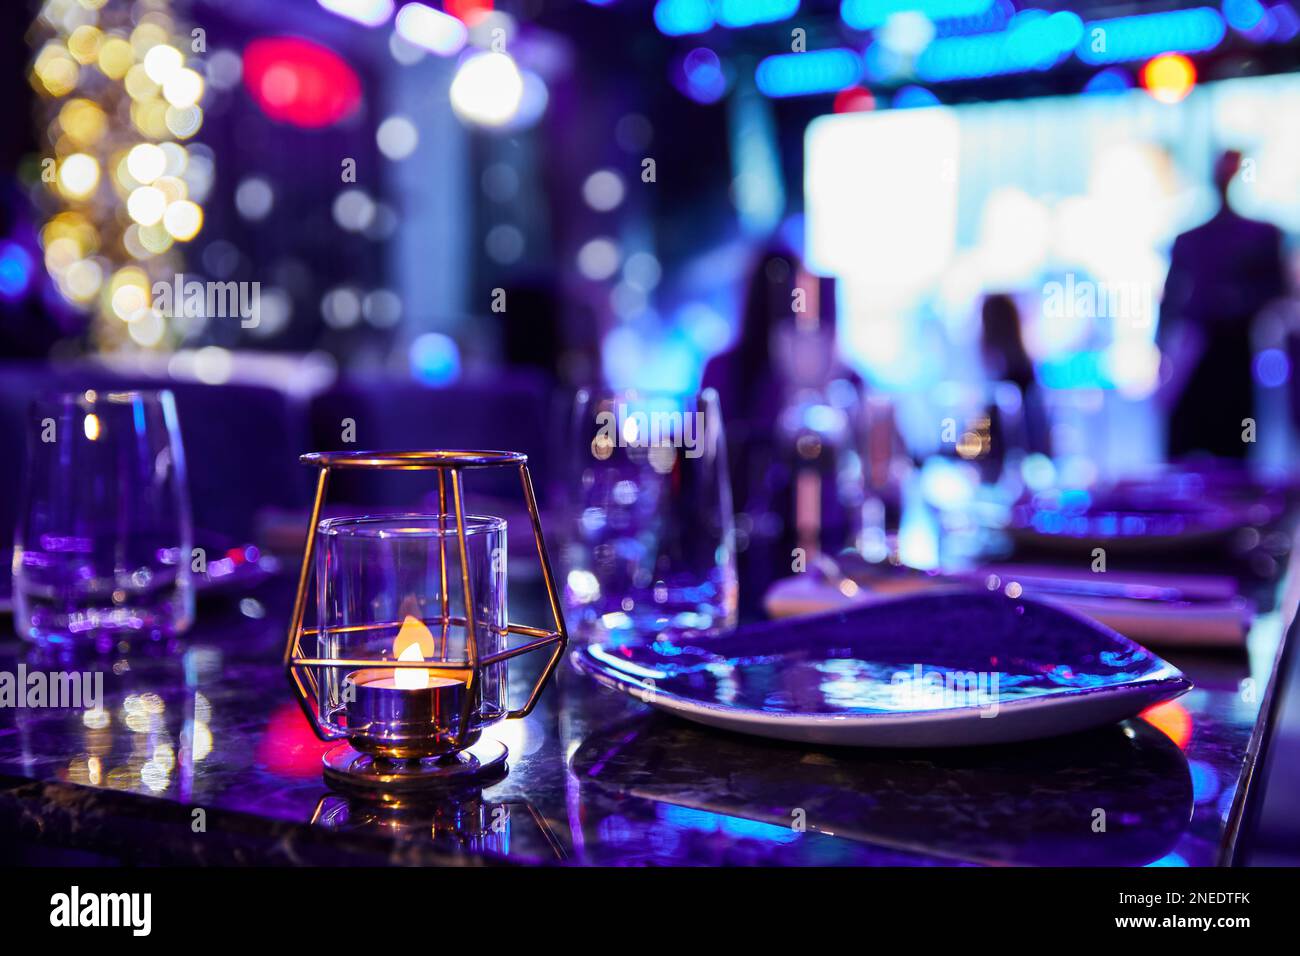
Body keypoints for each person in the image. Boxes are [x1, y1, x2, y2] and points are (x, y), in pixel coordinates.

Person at [1158, 150, 1286, 459]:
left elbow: (1275, 291)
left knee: (1236, 443)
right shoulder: (1192, 239)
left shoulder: (1261, 236)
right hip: (1198, 355)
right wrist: (1163, 352)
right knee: (1188, 444)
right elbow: (1171, 301)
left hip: (1237, 355)